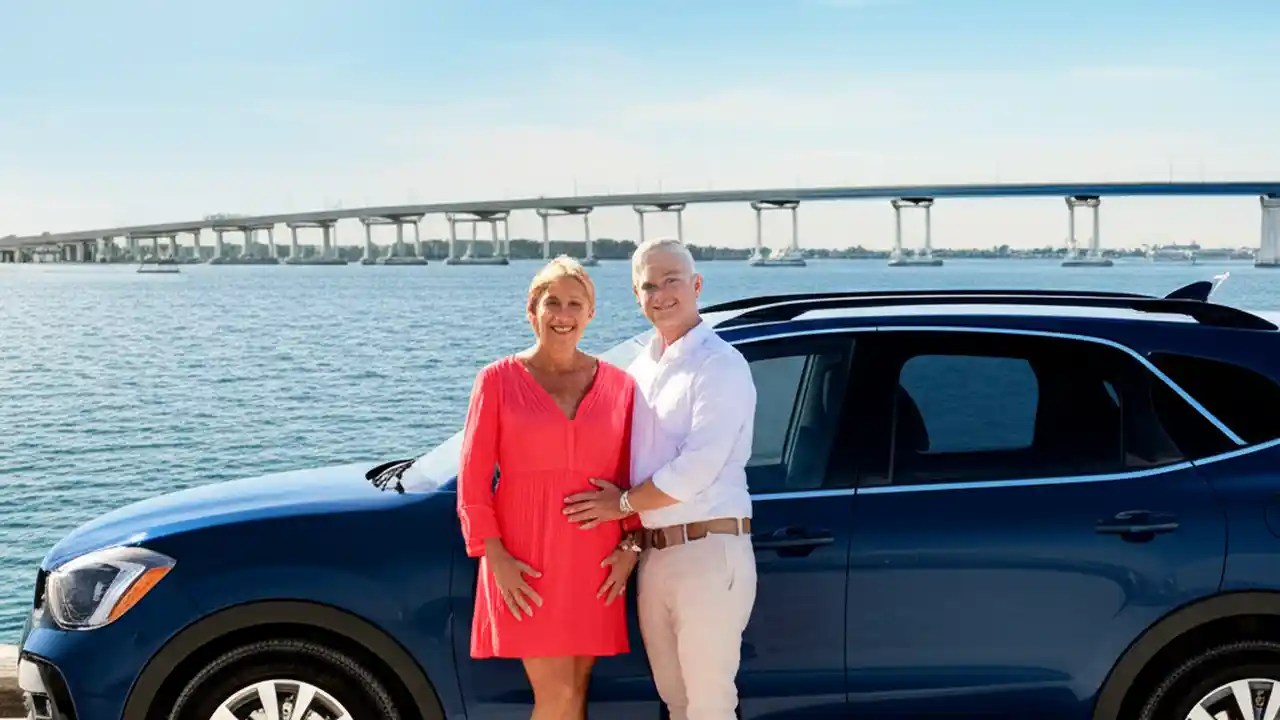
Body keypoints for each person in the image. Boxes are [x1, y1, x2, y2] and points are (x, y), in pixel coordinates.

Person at [563, 237, 759, 720]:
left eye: (672, 281)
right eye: (648, 285)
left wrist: (623, 504)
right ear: (637, 296)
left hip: (709, 554)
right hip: (654, 556)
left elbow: (698, 466)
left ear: (696, 284)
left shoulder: (719, 364)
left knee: (710, 705)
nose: (661, 294)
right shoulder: (641, 366)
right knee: (676, 702)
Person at [456, 255, 644, 720]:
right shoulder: (496, 380)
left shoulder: (620, 386)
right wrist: (493, 556)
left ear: (590, 314)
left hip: (597, 558)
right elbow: (474, 477)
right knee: (556, 694)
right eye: (552, 302)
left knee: (577, 688)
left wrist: (631, 546)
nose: (563, 314)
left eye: (574, 303)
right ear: (532, 310)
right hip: (526, 561)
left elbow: (632, 473)